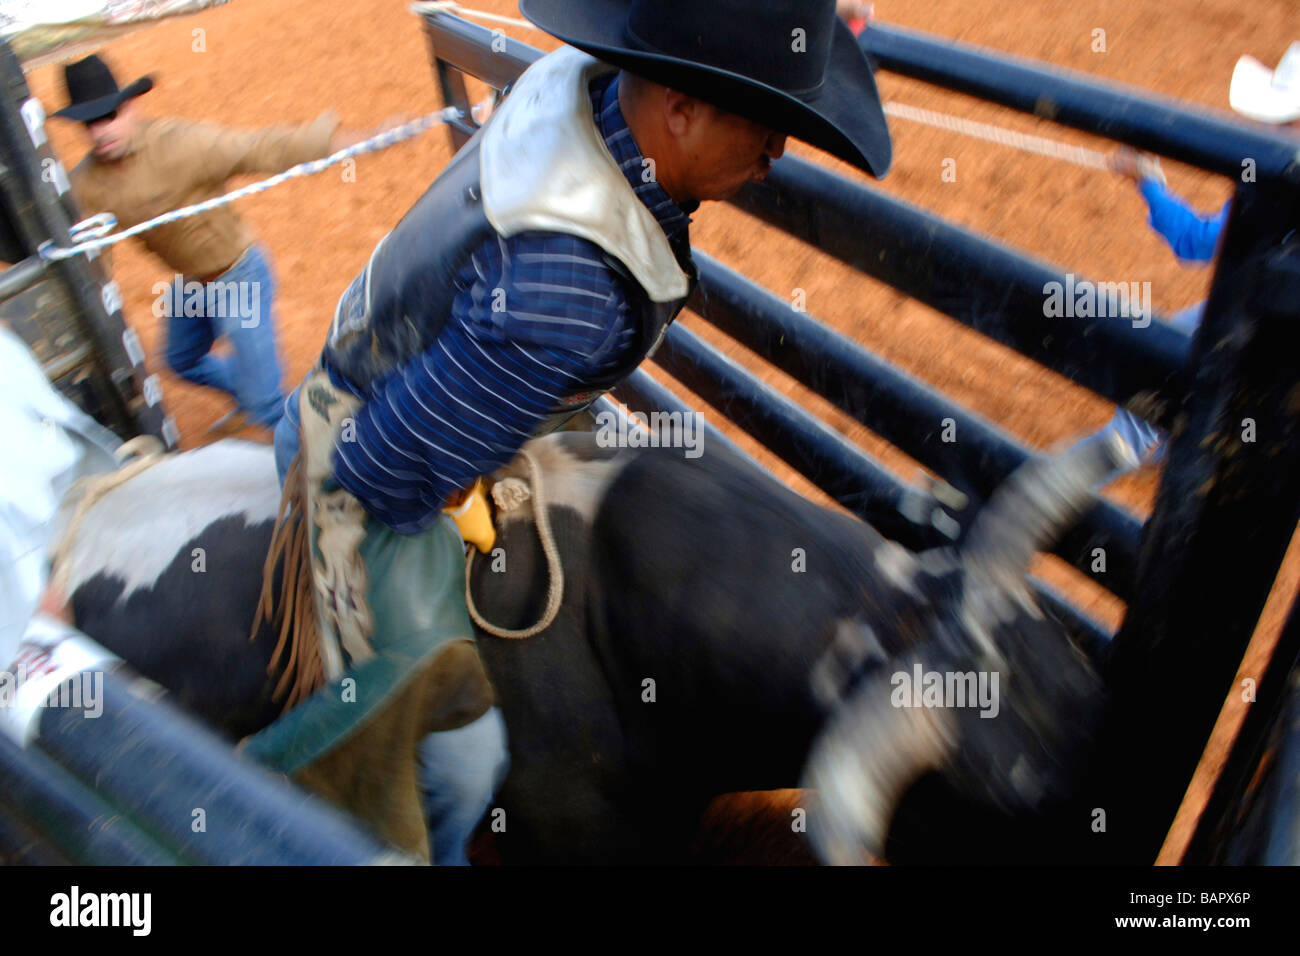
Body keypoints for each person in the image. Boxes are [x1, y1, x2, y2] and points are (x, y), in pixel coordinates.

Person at [244, 0, 894, 862]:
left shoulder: (584, 82)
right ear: (683, 110)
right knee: (461, 758)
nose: (775, 153)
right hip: (365, 455)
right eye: (764, 124)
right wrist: (470, 495)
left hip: (406, 357)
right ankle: (310, 815)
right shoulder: (570, 297)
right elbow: (386, 471)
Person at [52, 54, 382, 435]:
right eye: (89, 122)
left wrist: (353, 141)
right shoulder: (85, 186)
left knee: (266, 404)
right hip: (190, 281)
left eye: (109, 115)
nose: (100, 131)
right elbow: (89, 257)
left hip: (237, 273)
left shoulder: (181, 144)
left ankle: (320, 454)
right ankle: (252, 395)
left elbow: (261, 147)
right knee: (181, 360)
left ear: (130, 107)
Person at [1082, 41, 1299, 478]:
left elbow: (1195, 241)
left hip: (1268, 327)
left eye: (1280, 122)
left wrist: (1149, 184)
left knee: (1159, 365)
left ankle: (1090, 474)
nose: (1266, 131)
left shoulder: (1278, 189)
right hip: (1277, 324)